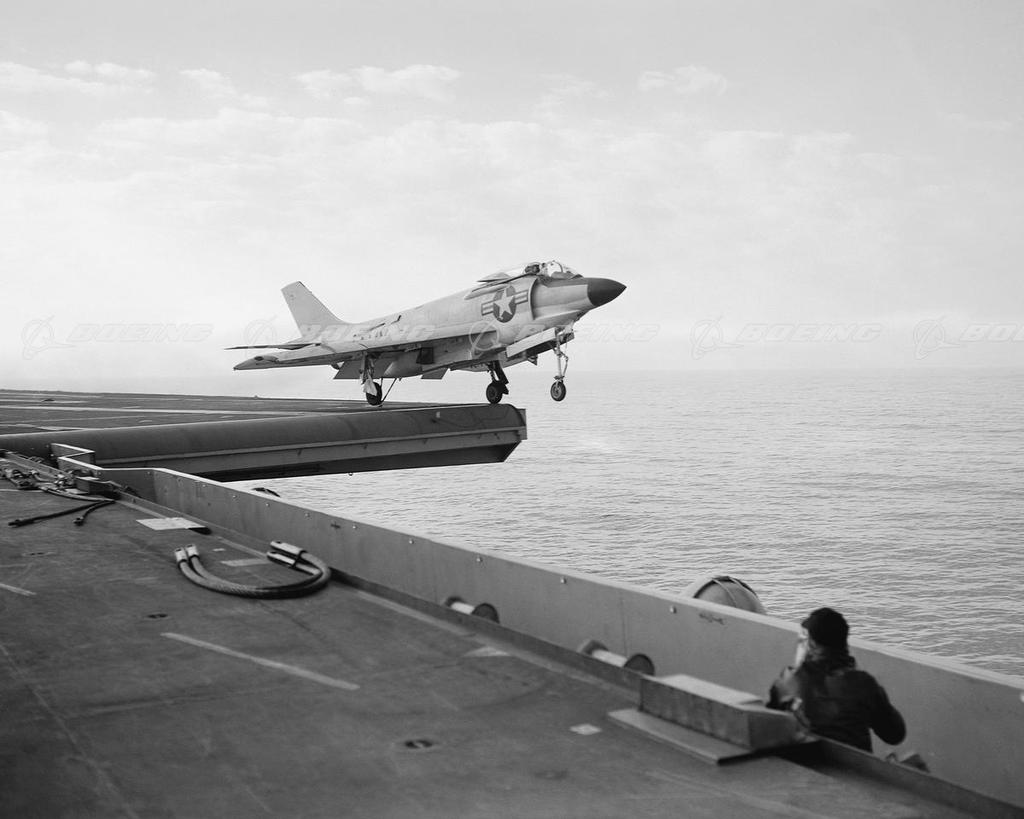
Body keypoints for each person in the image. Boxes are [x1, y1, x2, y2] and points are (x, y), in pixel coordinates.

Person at [767, 607, 906, 752]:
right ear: (844, 643)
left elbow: (768, 726)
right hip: (854, 769)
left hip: (803, 766)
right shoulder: (863, 684)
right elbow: (895, 735)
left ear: (811, 645)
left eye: (801, 642)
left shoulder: (788, 681)